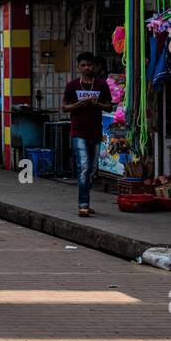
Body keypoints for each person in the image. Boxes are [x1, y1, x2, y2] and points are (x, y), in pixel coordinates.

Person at [63, 51, 114, 217]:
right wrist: (78, 104)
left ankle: (86, 201)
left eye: (89, 65)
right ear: (78, 67)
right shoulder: (72, 86)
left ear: (94, 66)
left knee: (92, 169)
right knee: (83, 167)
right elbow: (65, 107)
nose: (87, 68)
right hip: (78, 131)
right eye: (83, 65)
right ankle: (83, 204)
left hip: (95, 132)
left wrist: (96, 103)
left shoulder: (101, 85)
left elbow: (109, 106)